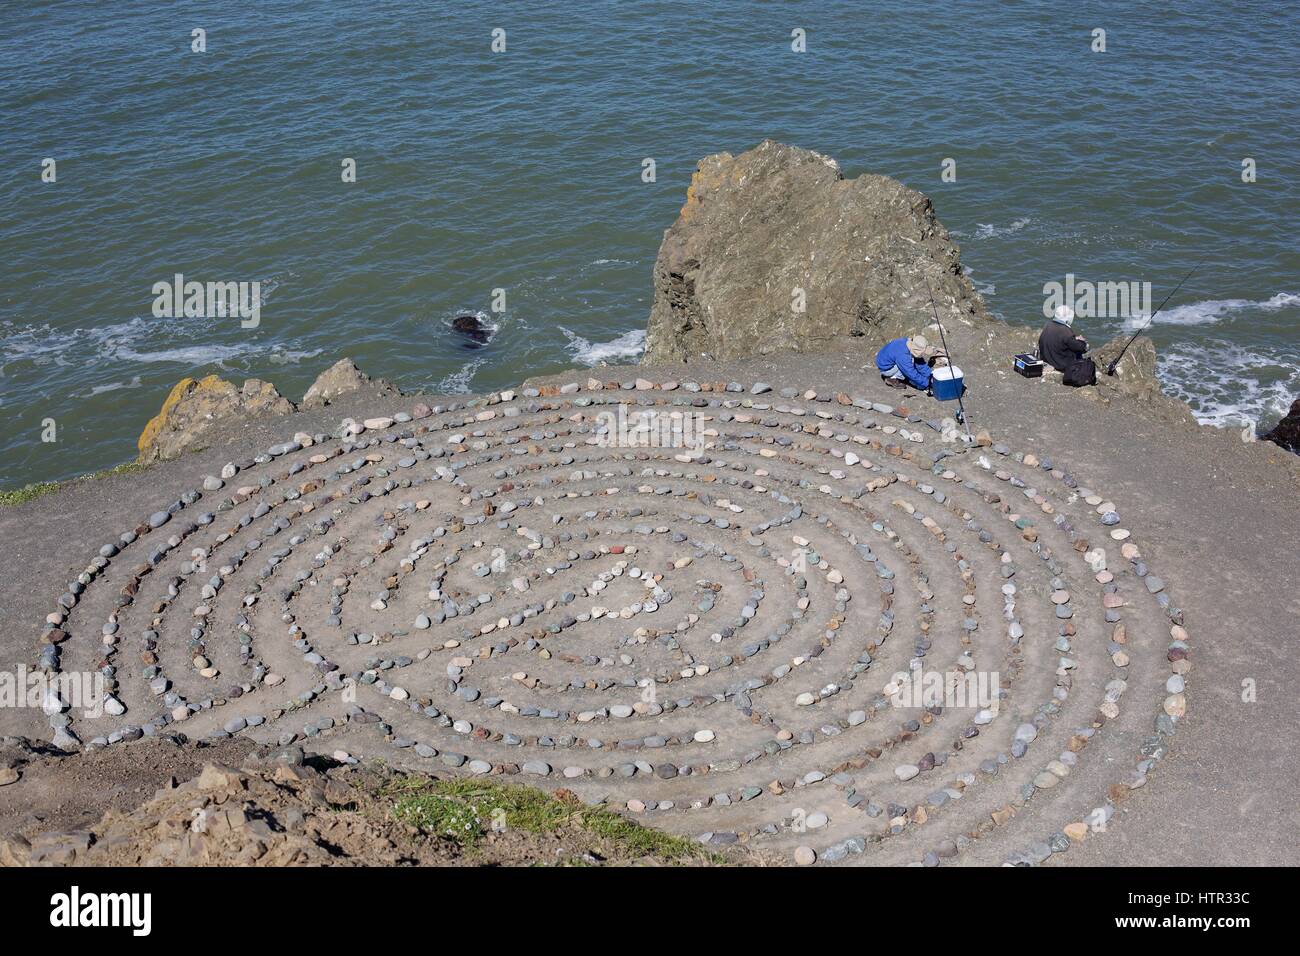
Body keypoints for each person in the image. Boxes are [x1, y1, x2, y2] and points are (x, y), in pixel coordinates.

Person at [875, 334, 942, 390]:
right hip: (886, 368)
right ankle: (891, 378)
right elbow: (911, 373)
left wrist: (931, 375)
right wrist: (927, 383)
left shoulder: (910, 342)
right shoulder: (903, 356)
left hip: (886, 358)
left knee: (912, 362)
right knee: (908, 371)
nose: (922, 354)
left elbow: (919, 362)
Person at [1038, 305, 1089, 372]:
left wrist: (1074, 339)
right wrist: (1082, 342)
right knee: (1079, 352)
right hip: (1060, 365)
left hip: (1046, 360)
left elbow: (1060, 339)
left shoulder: (1048, 325)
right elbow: (1082, 348)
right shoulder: (1066, 331)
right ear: (1067, 318)